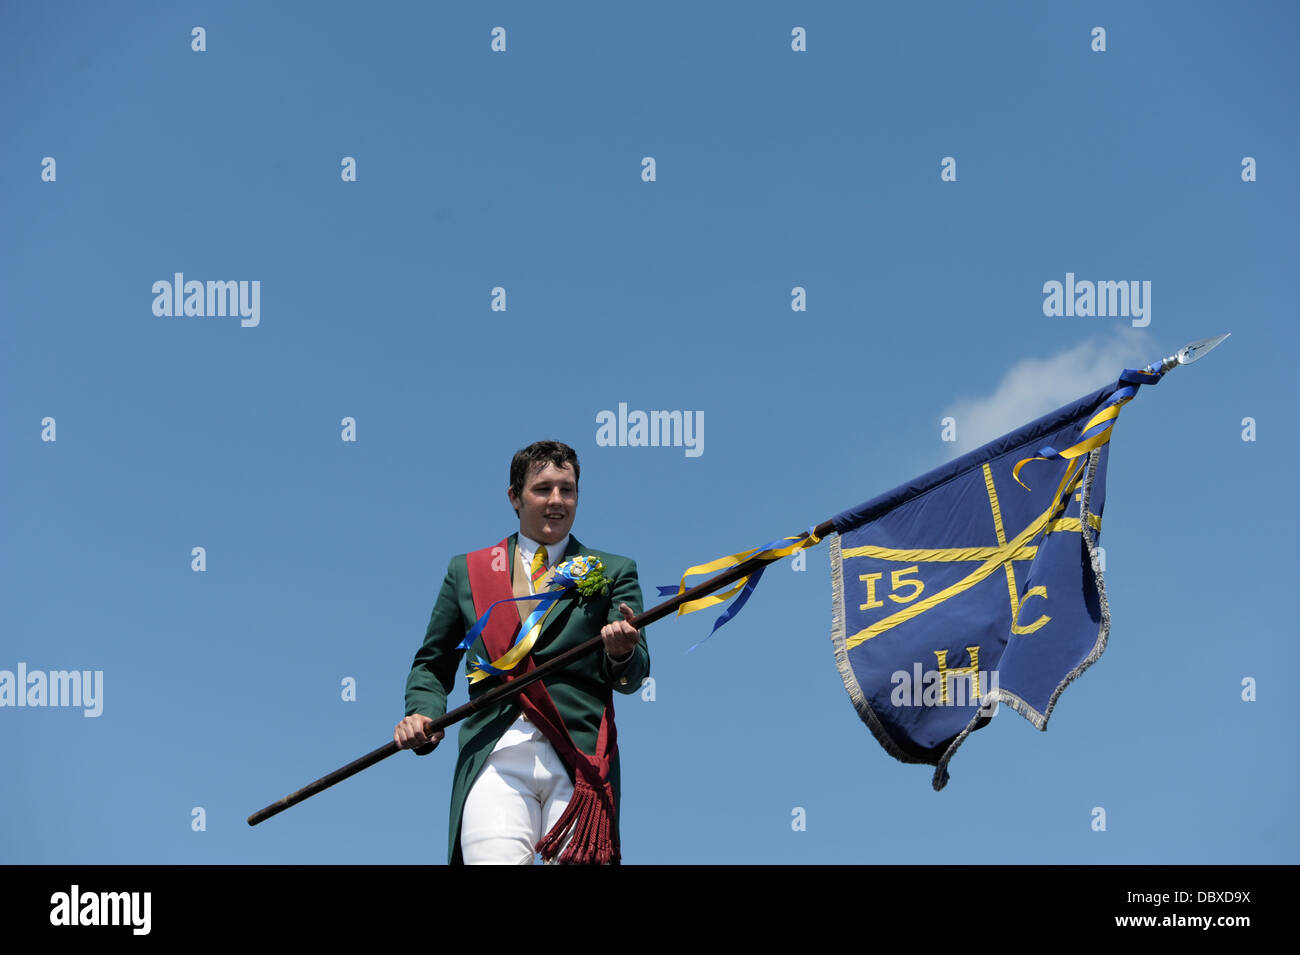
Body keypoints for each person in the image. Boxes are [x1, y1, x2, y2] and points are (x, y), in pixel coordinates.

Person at [394, 440, 649, 864]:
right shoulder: (468, 571)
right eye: (543, 489)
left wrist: (623, 653)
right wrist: (421, 711)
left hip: (580, 757)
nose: (556, 501)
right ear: (514, 497)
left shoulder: (613, 570)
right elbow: (433, 663)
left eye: (567, 490)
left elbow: (634, 676)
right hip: (495, 752)